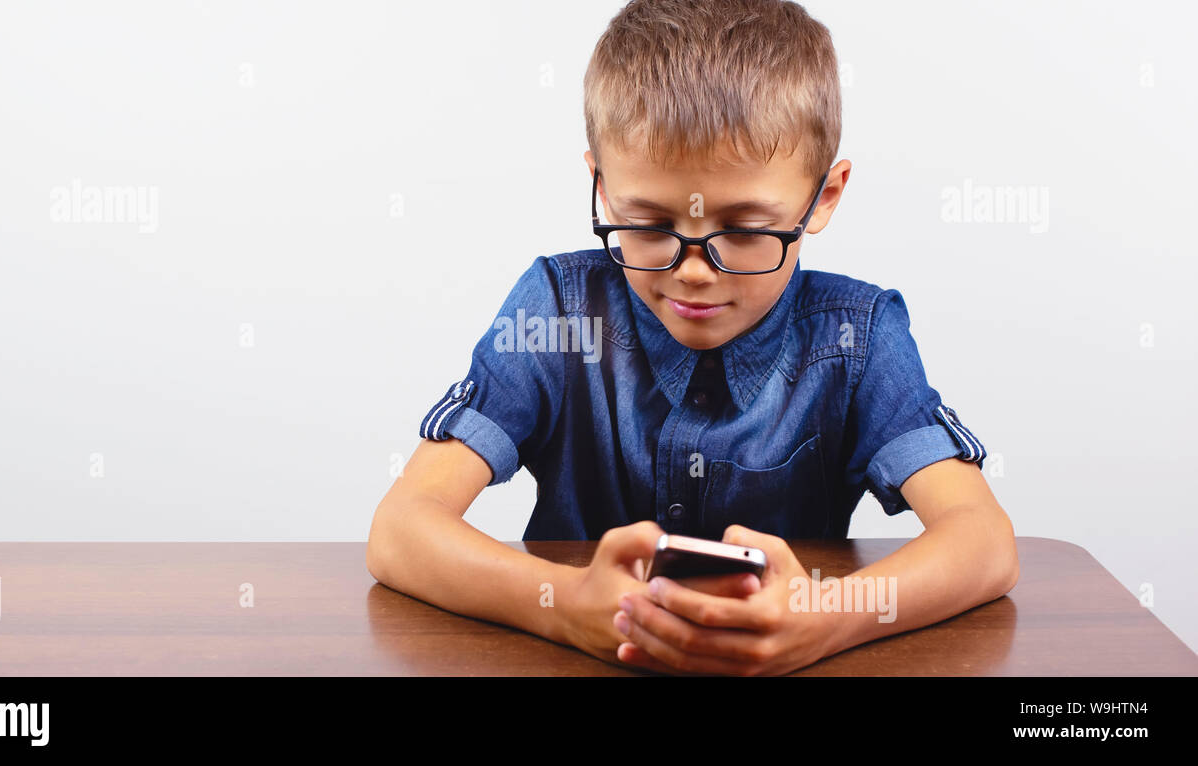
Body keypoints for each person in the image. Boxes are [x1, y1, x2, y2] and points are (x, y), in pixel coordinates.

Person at [367, 0, 1018, 676]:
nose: (694, 272)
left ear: (823, 197)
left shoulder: (859, 337)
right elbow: (401, 529)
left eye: (743, 230)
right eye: (647, 223)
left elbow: (984, 544)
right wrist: (563, 605)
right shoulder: (557, 311)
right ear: (601, 186)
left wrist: (824, 621)